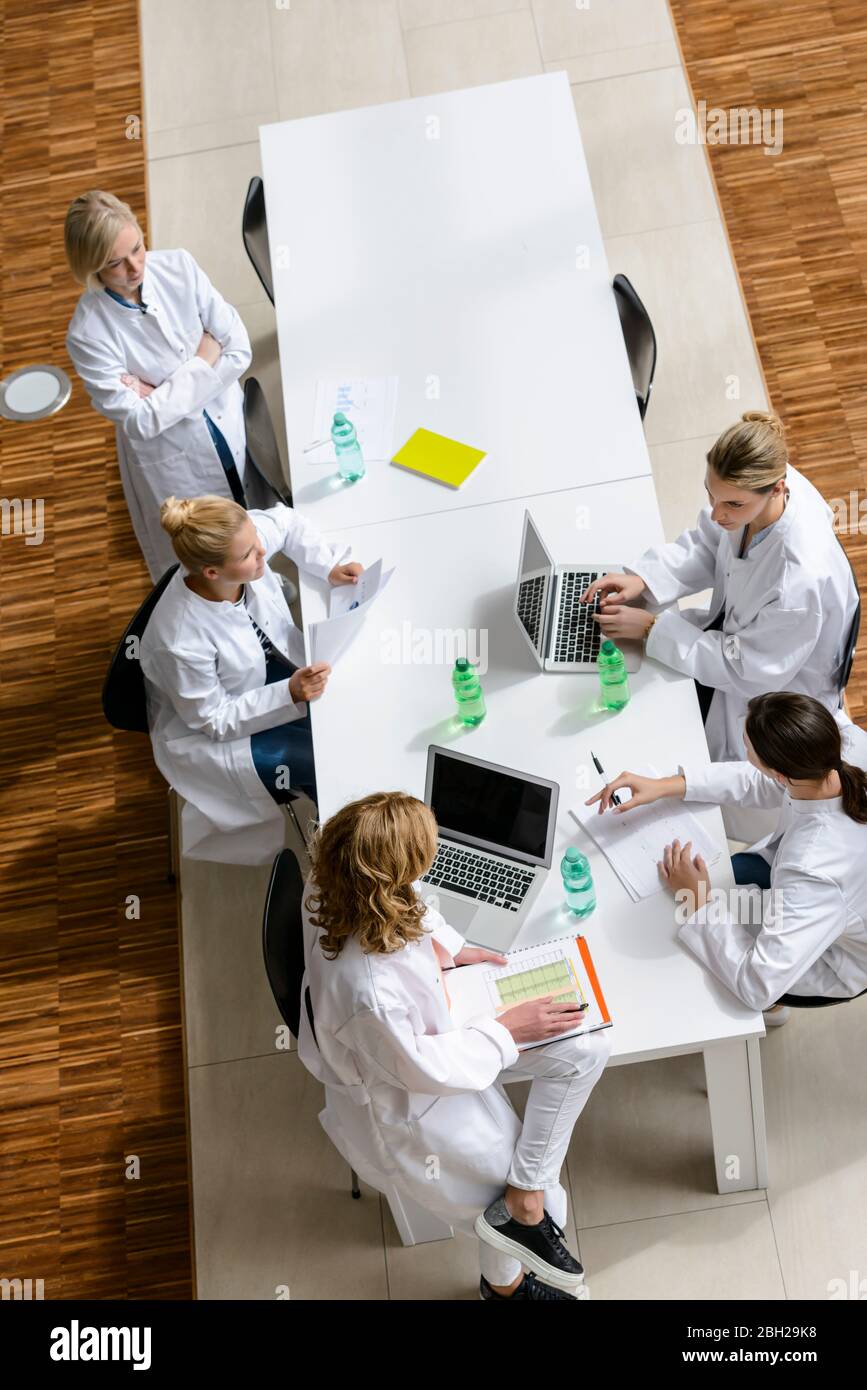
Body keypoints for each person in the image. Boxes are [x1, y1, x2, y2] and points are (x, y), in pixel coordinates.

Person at [297, 791, 612, 1302]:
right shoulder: (369, 992)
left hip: (436, 1022)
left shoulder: (342, 873)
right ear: (385, 878)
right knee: (512, 1196)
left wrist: (452, 947)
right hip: (412, 1103)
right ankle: (507, 1284)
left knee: (587, 1048)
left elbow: (413, 899)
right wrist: (507, 1032)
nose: (429, 863)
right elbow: (424, 1070)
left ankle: (523, 1197)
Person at [580, 411, 859, 765]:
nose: (717, 514)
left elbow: (746, 670)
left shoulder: (797, 581)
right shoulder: (757, 486)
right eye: (712, 496)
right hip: (736, 641)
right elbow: (710, 543)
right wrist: (645, 579)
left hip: (769, 688)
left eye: (732, 505)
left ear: (777, 488)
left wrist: (652, 629)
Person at [586, 693, 867, 1026]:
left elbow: (757, 984)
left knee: (675, 926)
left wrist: (701, 902)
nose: (743, 750)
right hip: (818, 892)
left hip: (834, 959)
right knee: (714, 889)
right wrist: (666, 785)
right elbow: (757, 781)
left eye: (746, 746)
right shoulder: (837, 748)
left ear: (779, 772)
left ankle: (774, 1013)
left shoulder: (813, 870)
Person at [139, 495, 362, 865]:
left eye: (257, 542)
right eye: (249, 556)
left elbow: (287, 523)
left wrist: (328, 566)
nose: (262, 552)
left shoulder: (243, 542)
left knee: (343, 717)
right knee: (319, 762)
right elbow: (213, 720)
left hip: (262, 672)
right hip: (212, 735)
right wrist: (289, 692)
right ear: (212, 572)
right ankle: (349, 857)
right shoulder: (179, 639)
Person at [65, 189, 257, 581]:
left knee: (251, 518)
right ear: (92, 266)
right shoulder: (88, 333)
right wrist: (204, 358)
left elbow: (239, 350)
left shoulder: (179, 267)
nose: (135, 267)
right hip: (176, 461)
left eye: (137, 248)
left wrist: (162, 396)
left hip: (227, 423)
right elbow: (139, 423)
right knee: (205, 558)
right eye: (115, 263)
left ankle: (263, 581)